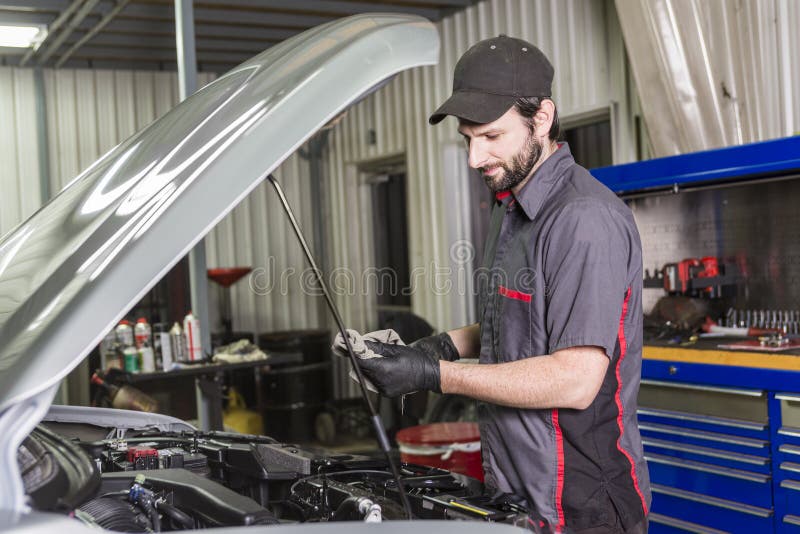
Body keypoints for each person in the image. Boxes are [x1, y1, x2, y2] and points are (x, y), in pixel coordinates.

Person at [353, 35, 650, 533]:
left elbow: (575, 380)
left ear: (543, 118)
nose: (475, 157)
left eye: (491, 136)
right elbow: (517, 316)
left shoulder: (582, 219)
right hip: (517, 494)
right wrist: (439, 345)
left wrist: (436, 374)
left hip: (579, 505)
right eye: (467, 138)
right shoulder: (511, 207)